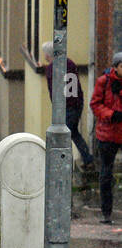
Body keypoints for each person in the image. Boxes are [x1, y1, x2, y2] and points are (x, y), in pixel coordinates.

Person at [38, 42, 94, 171]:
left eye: (45, 53)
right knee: (73, 133)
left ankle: (60, 163)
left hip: (65, 107)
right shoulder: (70, 63)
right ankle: (87, 158)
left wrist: (56, 107)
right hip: (76, 104)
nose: (44, 56)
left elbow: (54, 90)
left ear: (49, 54)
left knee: (61, 136)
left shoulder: (52, 68)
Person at [91, 52, 122, 224]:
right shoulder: (104, 82)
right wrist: (111, 115)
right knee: (106, 173)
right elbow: (95, 104)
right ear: (116, 67)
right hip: (107, 133)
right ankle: (106, 212)